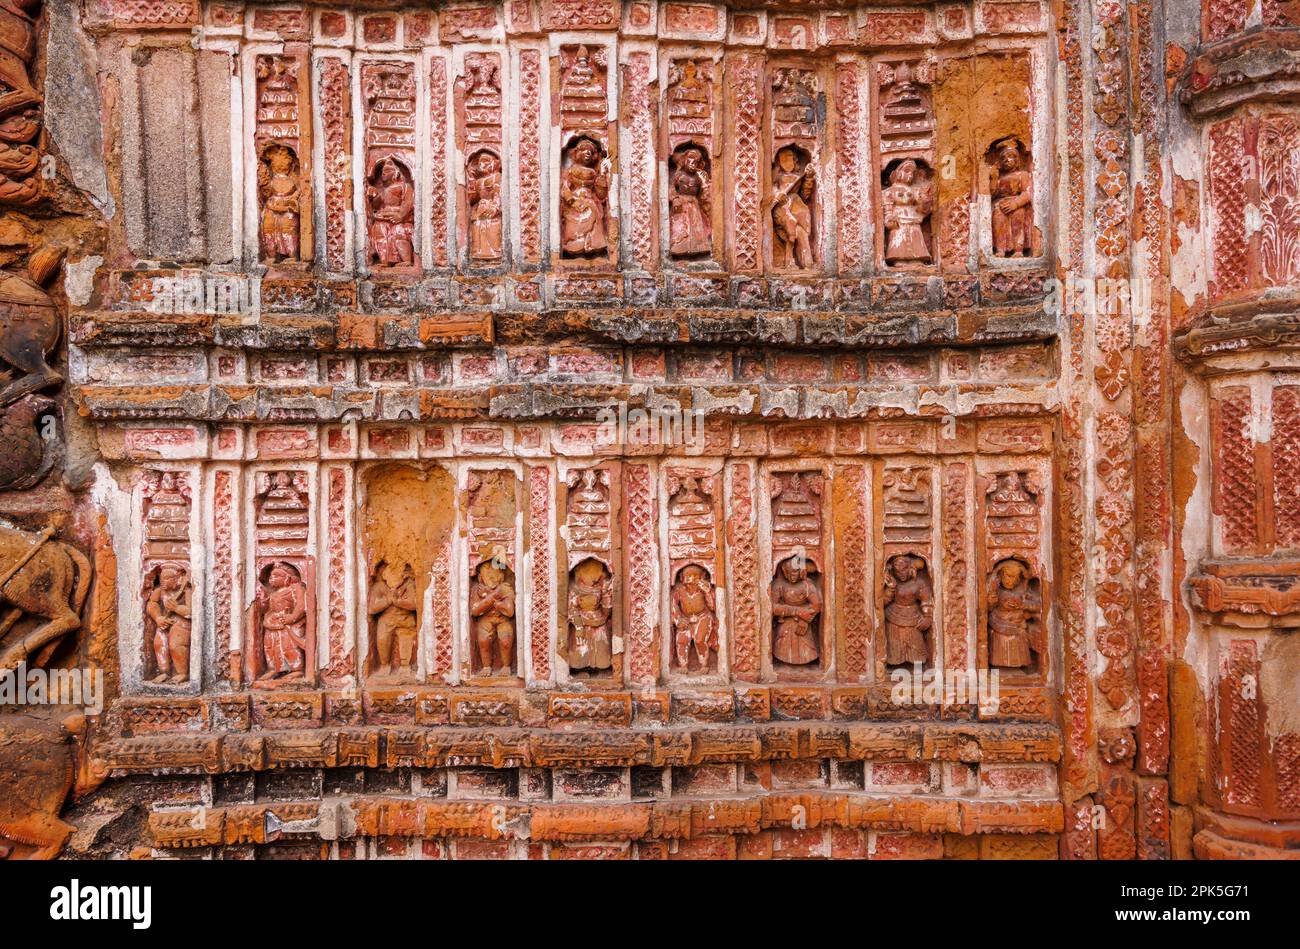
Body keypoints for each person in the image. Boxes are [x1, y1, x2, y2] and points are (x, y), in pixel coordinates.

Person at [772, 554, 821, 665]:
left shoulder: (807, 585)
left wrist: (805, 621)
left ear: (801, 571)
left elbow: (817, 605)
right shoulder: (779, 586)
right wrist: (798, 611)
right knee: (783, 647)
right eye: (787, 572)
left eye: (794, 572)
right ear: (784, 571)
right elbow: (772, 607)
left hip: (802, 625)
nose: (791, 576)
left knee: (806, 648)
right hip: (785, 625)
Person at [882, 159, 934, 264]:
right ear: (897, 173)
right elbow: (887, 205)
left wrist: (924, 201)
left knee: (915, 237)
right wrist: (888, 216)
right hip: (898, 220)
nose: (909, 175)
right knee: (899, 238)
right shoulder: (890, 191)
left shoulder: (914, 191)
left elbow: (922, 207)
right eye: (906, 171)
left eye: (912, 173)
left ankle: (917, 260)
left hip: (913, 218)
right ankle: (898, 260)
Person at [771, 147, 815, 269]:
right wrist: (777, 194)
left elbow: (804, 195)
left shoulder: (797, 177)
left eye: (790, 158)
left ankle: (806, 263)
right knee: (791, 226)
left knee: (802, 232)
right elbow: (772, 189)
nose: (787, 161)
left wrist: (809, 178)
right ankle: (788, 260)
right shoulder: (777, 176)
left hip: (797, 205)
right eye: (784, 159)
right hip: (782, 207)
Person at [671, 564, 717, 670]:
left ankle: (704, 665)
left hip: (703, 616)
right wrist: (678, 619)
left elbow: (713, 607)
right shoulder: (679, 590)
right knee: (682, 640)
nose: (691, 579)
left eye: (695, 576)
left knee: (700, 639)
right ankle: (683, 665)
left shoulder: (703, 588)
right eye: (688, 576)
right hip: (685, 618)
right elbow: (673, 606)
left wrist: (708, 592)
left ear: (702, 577)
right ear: (682, 577)